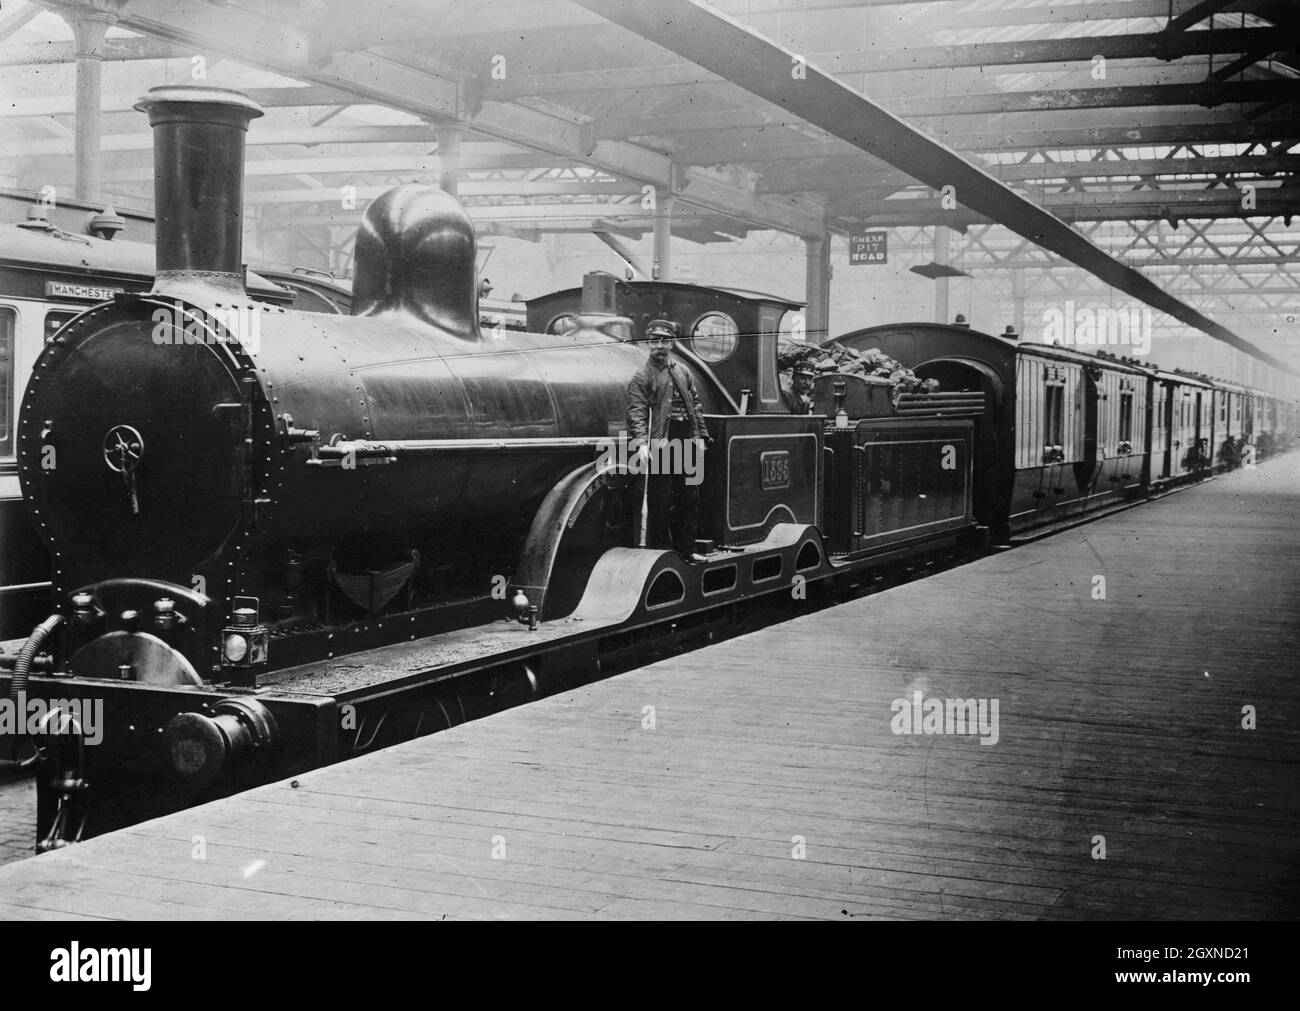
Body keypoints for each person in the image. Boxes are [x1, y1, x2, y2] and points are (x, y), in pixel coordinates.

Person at [626, 319, 709, 560]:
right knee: (660, 499)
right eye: (654, 341)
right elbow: (636, 412)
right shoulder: (642, 376)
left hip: (685, 441)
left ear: (671, 343)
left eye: (664, 341)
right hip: (660, 443)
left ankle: (687, 550)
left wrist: (701, 435)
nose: (659, 346)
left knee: (689, 496)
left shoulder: (683, 371)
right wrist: (641, 443)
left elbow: (695, 404)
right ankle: (661, 552)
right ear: (648, 344)